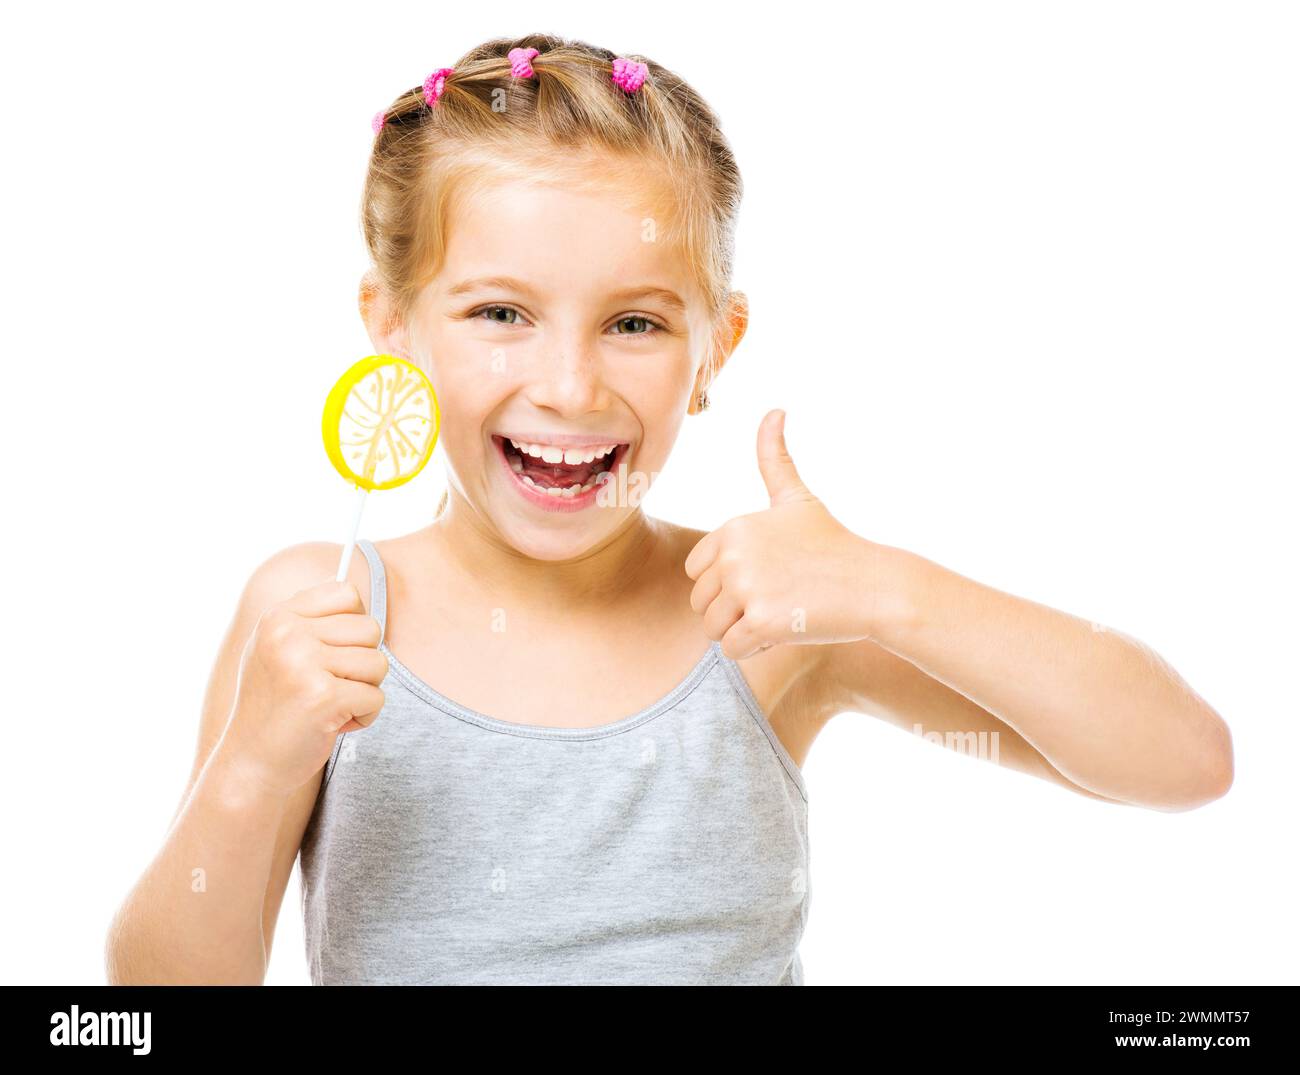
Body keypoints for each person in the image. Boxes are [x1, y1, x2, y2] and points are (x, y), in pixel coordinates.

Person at [105, 34, 1233, 986]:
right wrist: (256, 761)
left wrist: (885, 591)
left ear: (713, 350)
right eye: (501, 312)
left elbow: (1183, 760)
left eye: (634, 324)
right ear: (392, 322)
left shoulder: (768, 625)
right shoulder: (321, 607)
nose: (569, 385)